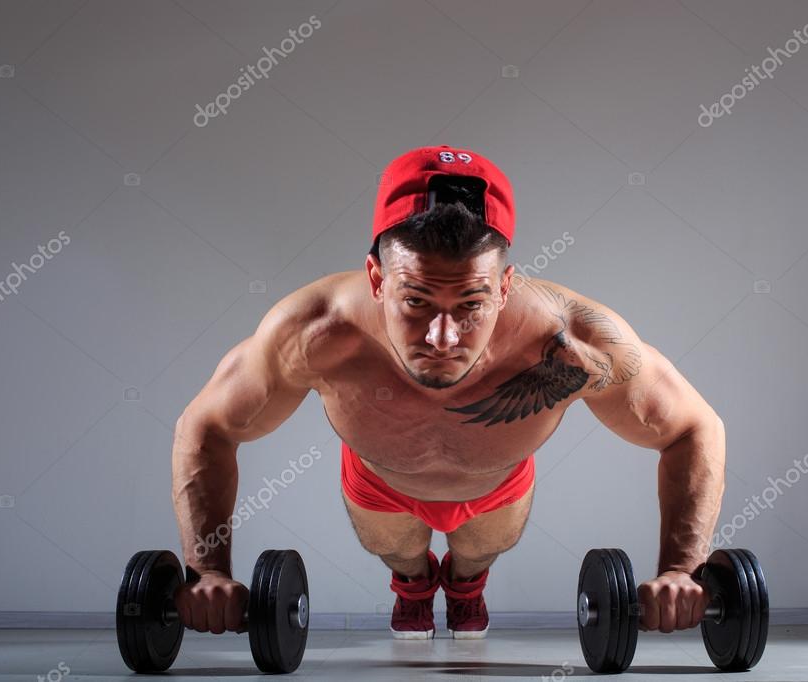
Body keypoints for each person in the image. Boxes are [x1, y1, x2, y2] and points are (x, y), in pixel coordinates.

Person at [171, 145, 725, 640]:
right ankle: (412, 588)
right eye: (416, 302)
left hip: (497, 484)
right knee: (399, 551)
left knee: (478, 549)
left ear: (504, 287)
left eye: (470, 305)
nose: (442, 337)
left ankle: (466, 588)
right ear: (376, 278)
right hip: (378, 481)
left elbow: (692, 428)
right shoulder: (313, 333)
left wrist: (681, 570)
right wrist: (210, 572)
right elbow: (208, 426)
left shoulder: (573, 342)